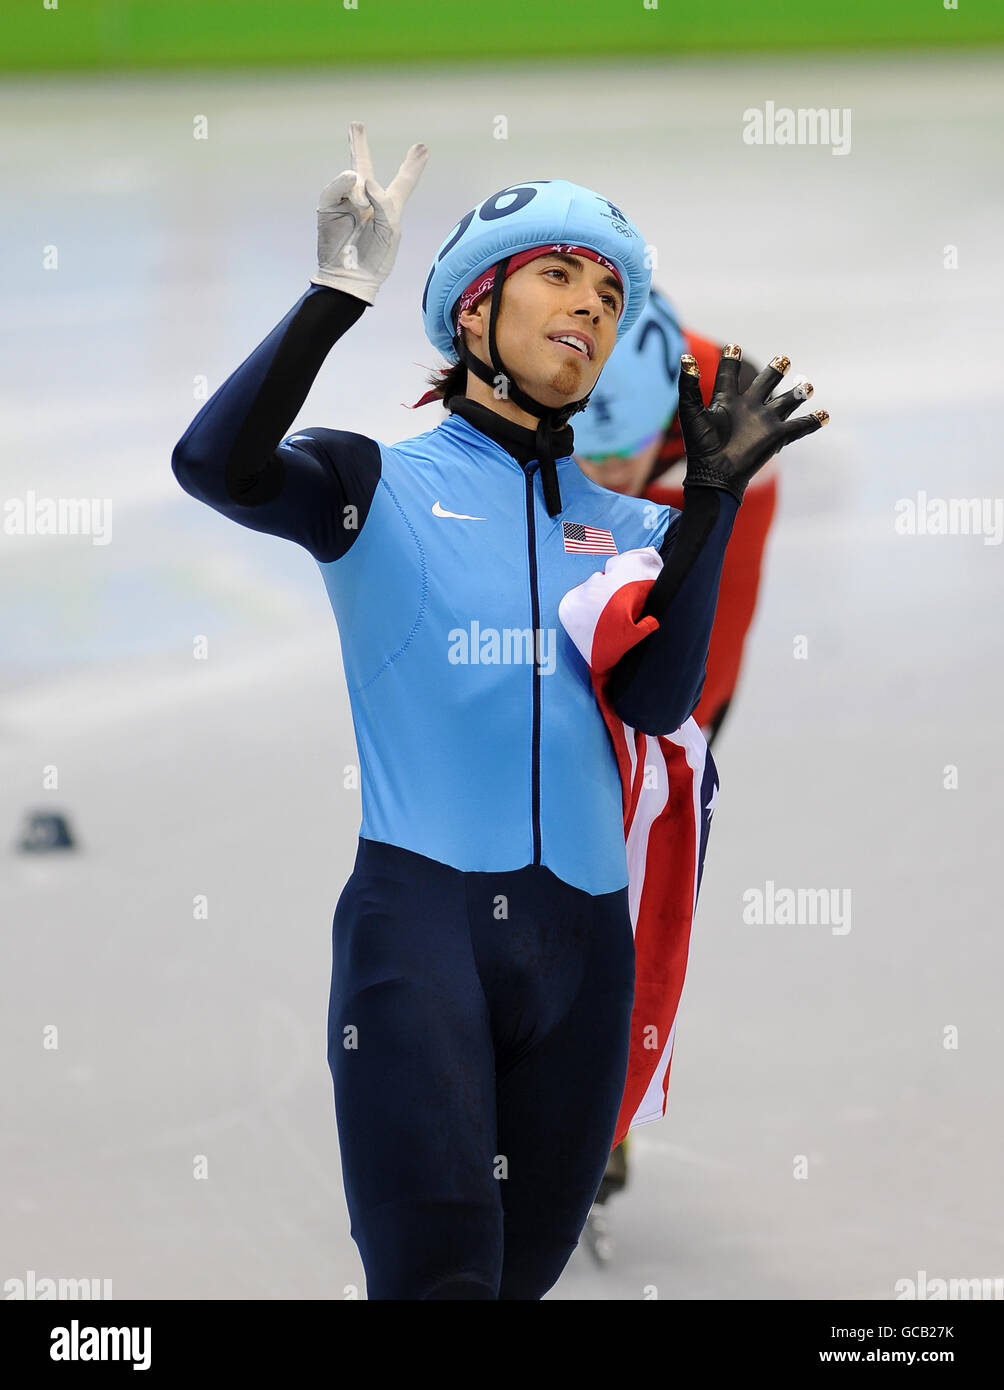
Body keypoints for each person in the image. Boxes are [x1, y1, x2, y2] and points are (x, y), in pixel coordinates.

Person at [170, 122, 826, 1300]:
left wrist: (710, 507)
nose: (590, 302)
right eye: (556, 273)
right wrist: (331, 296)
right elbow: (214, 465)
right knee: (437, 1284)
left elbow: (658, 696)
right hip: (418, 939)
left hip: (583, 960)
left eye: (610, 289)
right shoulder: (375, 488)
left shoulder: (630, 532)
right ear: (473, 313)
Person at [571, 287, 795, 1222]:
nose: (608, 475)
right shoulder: (551, 363)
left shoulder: (738, 426)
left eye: (621, 456)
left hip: (675, 696)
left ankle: (600, 1110)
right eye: (592, 452)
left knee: (612, 890)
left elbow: (712, 650)